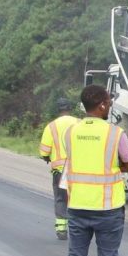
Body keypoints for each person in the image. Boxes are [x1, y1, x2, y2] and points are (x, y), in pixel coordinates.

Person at [59, 84, 128, 256]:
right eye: (108, 101)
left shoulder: (70, 133)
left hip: (78, 207)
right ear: (102, 105)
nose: (110, 104)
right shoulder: (116, 134)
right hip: (108, 209)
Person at [39, 97, 79, 239]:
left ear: (58, 110)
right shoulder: (79, 123)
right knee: (76, 200)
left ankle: (61, 230)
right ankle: (78, 230)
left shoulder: (51, 126)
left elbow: (44, 151)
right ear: (70, 109)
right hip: (78, 170)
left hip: (59, 171)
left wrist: (47, 158)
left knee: (61, 199)